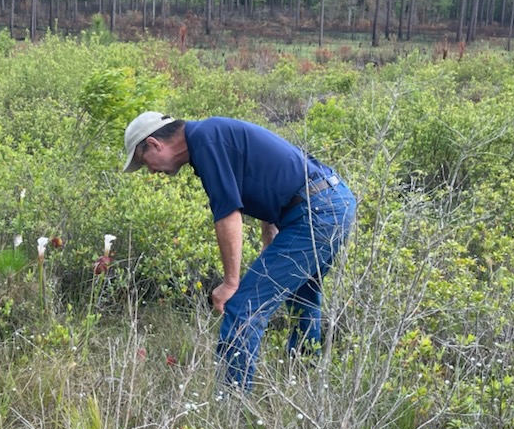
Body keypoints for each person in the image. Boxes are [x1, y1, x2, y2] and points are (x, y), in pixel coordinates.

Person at [123, 111, 356, 390]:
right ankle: (305, 381)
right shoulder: (210, 136)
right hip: (331, 202)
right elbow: (267, 177)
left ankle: (231, 401)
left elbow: (228, 215)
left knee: (243, 306)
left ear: (154, 144)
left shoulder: (206, 141)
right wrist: (271, 238)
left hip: (315, 212)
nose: (151, 171)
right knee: (302, 297)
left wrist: (231, 283)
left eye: (144, 162)